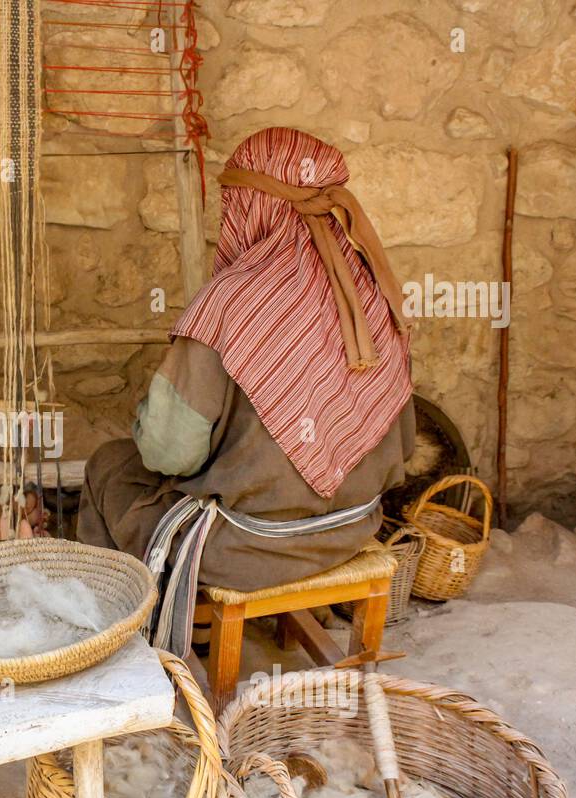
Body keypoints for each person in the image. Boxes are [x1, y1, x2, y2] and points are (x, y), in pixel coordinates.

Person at [78, 127, 415, 597]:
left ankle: (126, 627)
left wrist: (152, 417)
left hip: (244, 549)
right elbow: (404, 443)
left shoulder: (228, 307)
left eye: (231, 202)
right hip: (350, 531)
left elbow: (167, 454)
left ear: (251, 206)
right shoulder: (374, 295)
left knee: (108, 465)